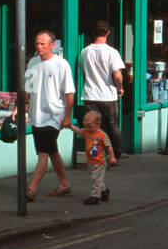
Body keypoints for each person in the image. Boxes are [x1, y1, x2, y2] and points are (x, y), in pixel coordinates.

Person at [23, 30, 74, 200]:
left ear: (52, 45)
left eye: (42, 43)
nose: (39, 46)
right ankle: (64, 184)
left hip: (54, 116)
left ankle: (31, 188)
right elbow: (28, 90)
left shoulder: (61, 64)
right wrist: (19, 108)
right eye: (37, 43)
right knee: (52, 151)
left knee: (43, 152)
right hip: (37, 116)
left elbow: (69, 94)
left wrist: (67, 116)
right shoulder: (32, 62)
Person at [78, 20, 125, 165]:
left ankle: (95, 155)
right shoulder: (112, 52)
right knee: (112, 126)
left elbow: (84, 73)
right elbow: (117, 74)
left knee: (92, 128)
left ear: (93, 33)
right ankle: (115, 155)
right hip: (108, 96)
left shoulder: (85, 51)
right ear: (108, 32)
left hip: (90, 95)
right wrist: (120, 87)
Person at [67, 109, 113, 205]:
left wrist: (112, 157)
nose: (88, 128)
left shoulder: (102, 135)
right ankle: (104, 190)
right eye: (86, 126)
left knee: (96, 178)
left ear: (98, 124)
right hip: (91, 160)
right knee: (96, 178)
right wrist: (70, 126)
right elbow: (78, 131)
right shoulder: (86, 132)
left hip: (100, 161)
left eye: (90, 126)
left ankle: (95, 196)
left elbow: (109, 147)